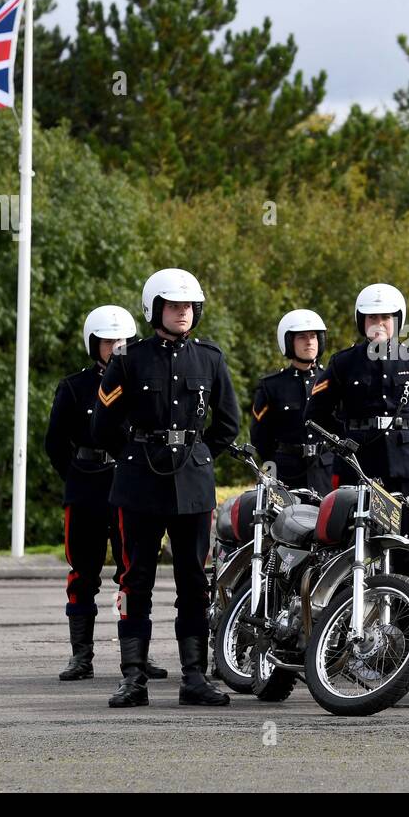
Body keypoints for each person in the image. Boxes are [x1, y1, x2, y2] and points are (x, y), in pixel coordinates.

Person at [92, 268, 241, 708]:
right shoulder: (127, 360)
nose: (184, 314)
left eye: (190, 307)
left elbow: (228, 423)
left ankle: (193, 678)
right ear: (154, 309)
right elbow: (103, 426)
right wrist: (136, 453)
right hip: (139, 483)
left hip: (192, 485)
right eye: (175, 306)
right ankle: (133, 679)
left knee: (194, 581)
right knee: (134, 580)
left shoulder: (210, 358)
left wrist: (197, 455)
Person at [45, 305, 169, 681]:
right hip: (85, 488)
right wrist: (76, 478)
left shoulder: (139, 383)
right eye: (107, 341)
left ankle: (136, 654)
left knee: (132, 574)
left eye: (122, 341)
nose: (116, 347)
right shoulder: (73, 387)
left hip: (128, 485)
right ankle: (81, 657)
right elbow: (54, 443)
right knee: (82, 573)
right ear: (93, 344)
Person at [306, 283, 409, 556]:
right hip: (356, 464)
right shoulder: (344, 363)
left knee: (408, 548)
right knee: (350, 545)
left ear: (397, 320)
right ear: (362, 321)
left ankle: (405, 595)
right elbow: (315, 413)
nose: (379, 323)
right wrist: (343, 439)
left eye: (385, 317)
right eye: (372, 317)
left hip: (405, 464)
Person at [248, 309, 332, 495]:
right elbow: (260, 436)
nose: (309, 342)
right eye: (302, 337)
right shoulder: (271, 385)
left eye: (313, 336)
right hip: (286, 473)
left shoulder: (331, 381)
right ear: (288, 342)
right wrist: (275, 466)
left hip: (325, 472)